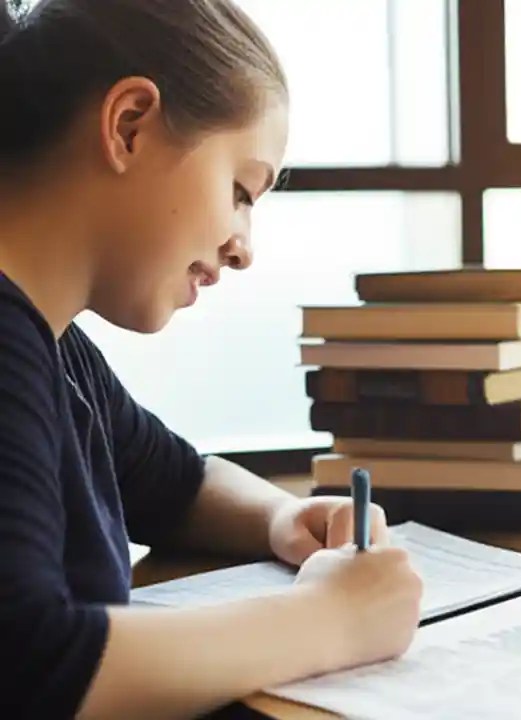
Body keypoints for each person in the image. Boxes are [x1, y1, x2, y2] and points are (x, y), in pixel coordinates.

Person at [0, 1, 424, 717]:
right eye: (240, 191)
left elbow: (174, 483)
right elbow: (26, 662)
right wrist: (328, 621)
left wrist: (283, 518)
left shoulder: (54, 345)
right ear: (129, 126)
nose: (243, 248)